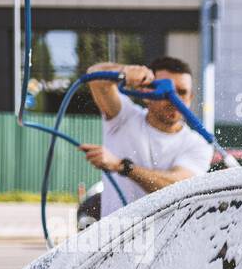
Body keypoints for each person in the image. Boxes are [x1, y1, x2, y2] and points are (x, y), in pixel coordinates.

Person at [79, 56, 212, 217]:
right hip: (116, 237)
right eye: (165, 90)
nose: (173, 99)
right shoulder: (124, 117)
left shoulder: (198, 144)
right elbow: (95, 76)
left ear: (190, 99)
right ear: (146, 94)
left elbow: (178, 189)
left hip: (168, 241)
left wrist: (123, 166)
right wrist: (124, 71)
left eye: (182, 92)